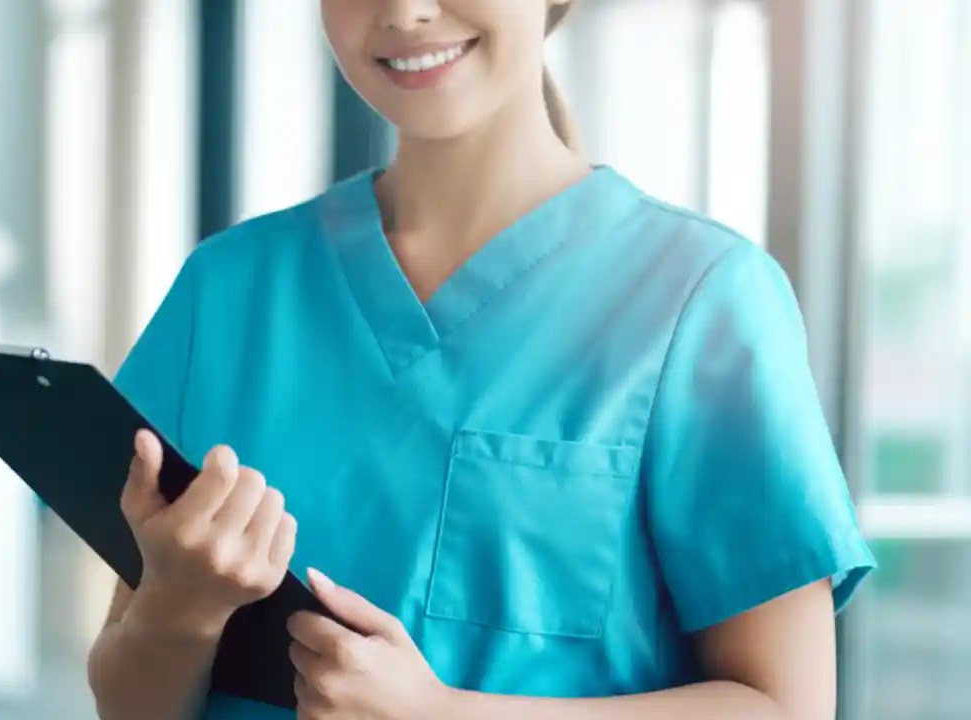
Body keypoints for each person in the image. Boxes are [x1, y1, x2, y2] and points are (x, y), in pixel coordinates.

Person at [87, 1, 876, 718]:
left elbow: (783, 707)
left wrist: (446, 715)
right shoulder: (227, 290)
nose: (405, 11)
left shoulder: (702, 300)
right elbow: (130, 706)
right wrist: (177, 613)